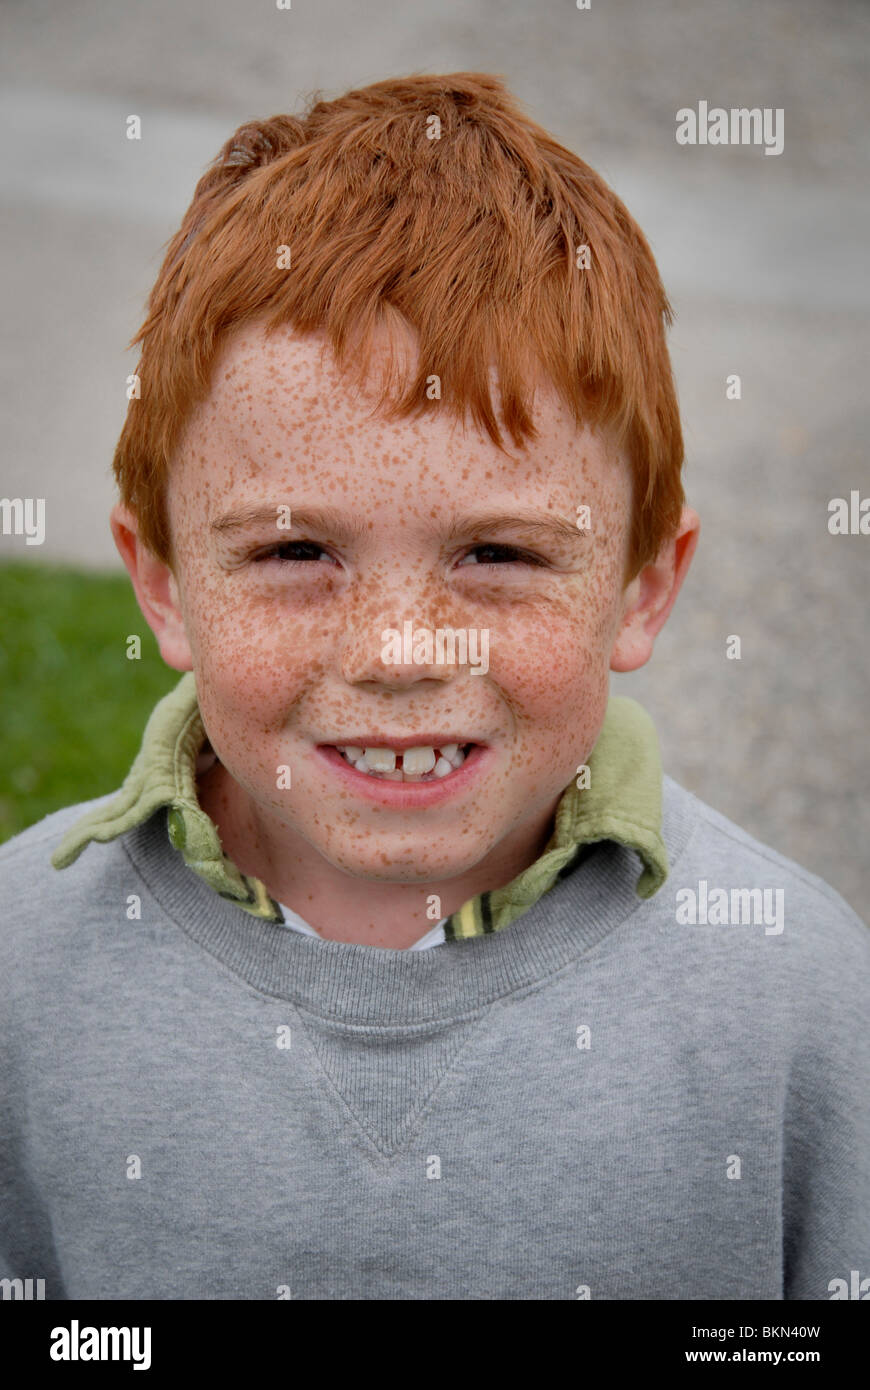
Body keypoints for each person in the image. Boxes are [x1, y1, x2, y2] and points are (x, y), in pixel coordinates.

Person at [1, 73, 867, 1301]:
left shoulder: (801, 999)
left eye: (499, 555)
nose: (402, 652)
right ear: (161, 585)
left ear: (641, 587)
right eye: (296, 552)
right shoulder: (22, 975)